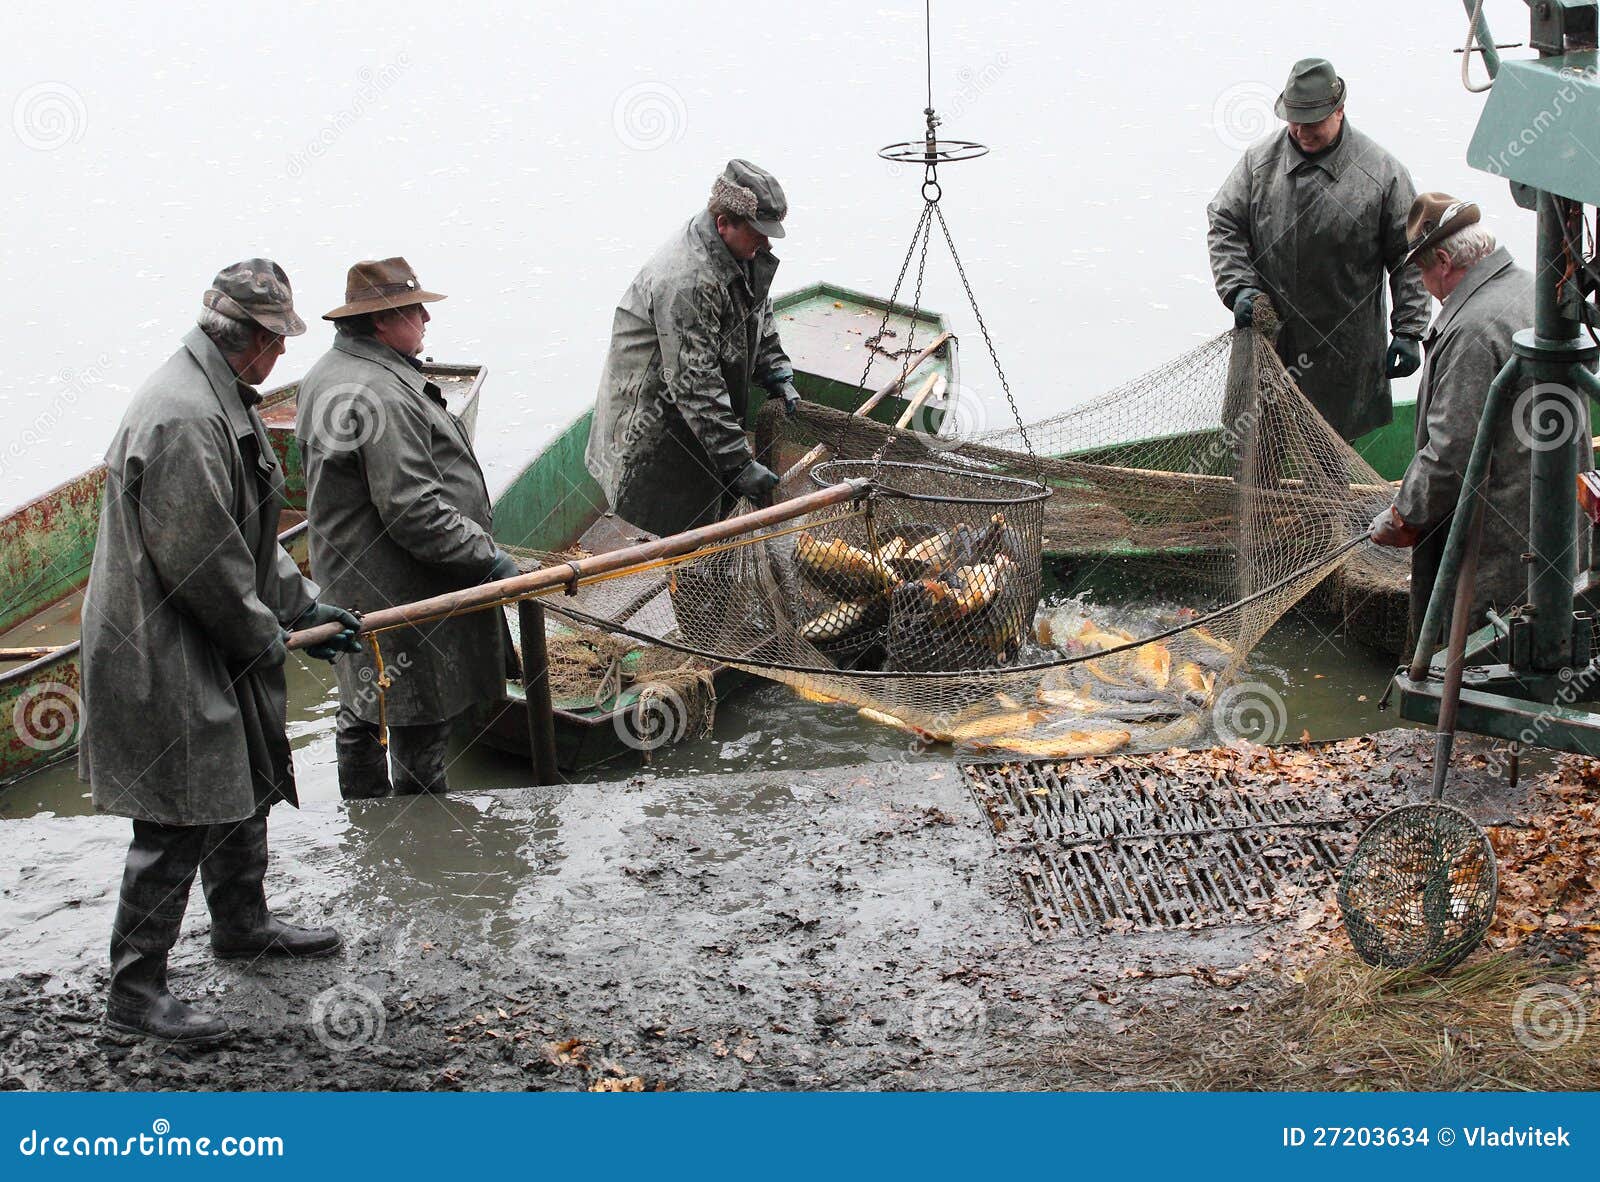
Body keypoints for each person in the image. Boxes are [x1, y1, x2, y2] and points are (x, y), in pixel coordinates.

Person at [80, 260, 362, 1045]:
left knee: (241, 772)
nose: (282, 358)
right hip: (160, 643)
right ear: (262, 342)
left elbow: (252, 535)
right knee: (177, 808)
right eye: (281, 342)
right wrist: (267, 637)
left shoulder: (219, 400)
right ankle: (134, 994)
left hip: (199, 629)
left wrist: (304, 606)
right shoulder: (184, 420)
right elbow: (206, 565)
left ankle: (241, 922)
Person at [296, 257, 517, 799]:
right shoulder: (384, 394)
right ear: (379, 321)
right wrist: (487, 558)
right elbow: (413, 510)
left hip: (349, 587)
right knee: (419, 719)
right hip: (401, 593)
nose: (425, 319)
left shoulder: (325, 372)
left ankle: (368, 828)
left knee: (362, 708)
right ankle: (422, 842)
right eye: (415, 310)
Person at [1369, 194, 1590, 639]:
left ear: (1445, 262)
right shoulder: (1537, 289)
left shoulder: (1471, 327)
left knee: (1480, 657)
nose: (1425, 285)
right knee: (1551, 635)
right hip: (1563, 530)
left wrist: (1405, 516)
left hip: (1503, 547)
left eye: (1422, 271)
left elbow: (1451, 450)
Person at [1207, 57, 1431, 441]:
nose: (1301, 130)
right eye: (1293, 119)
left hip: (1344, 348)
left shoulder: (1382, 173)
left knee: (1329, 455)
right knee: (1254, 445)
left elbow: (1410, 256)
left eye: (1312, 121)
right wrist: (1238, 286)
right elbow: (1224, 223)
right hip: (1268, 338)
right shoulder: (1259, 163)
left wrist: (1409, 330)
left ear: (1339, 111)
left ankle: (1329, 495)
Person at [586, 158, 799, 536]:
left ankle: (703, 569)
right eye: (759, 233)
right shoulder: (685, 278)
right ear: (723, 224)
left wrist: (775, 368)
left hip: (696, 408)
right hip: (653, 422)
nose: (766, 242)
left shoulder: (743, 250)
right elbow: (694, 381)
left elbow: (758, 312)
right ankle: (691, 586)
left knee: (712, 503)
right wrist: (738, 462)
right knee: (682, 524)